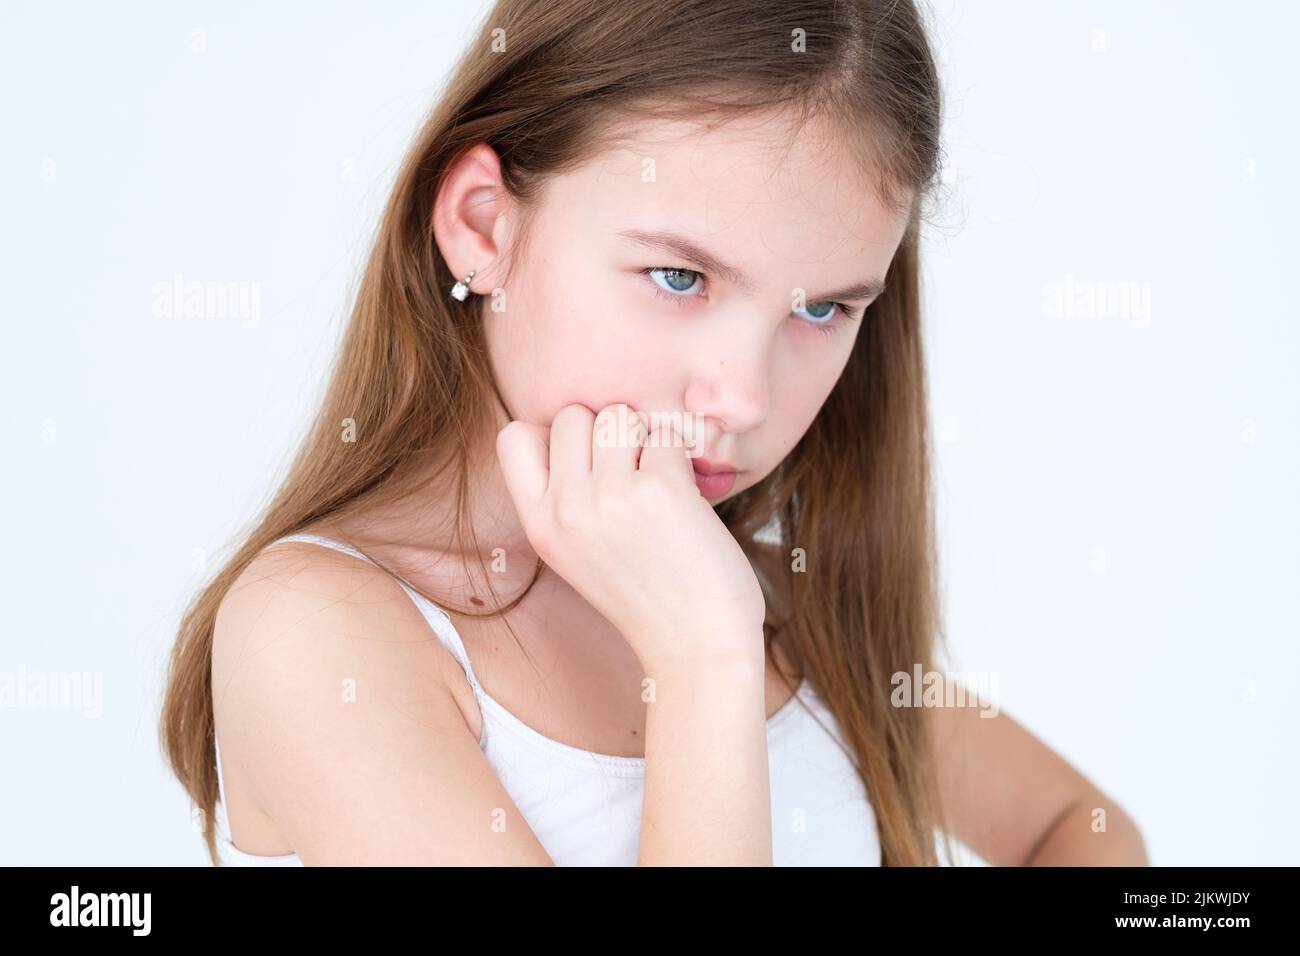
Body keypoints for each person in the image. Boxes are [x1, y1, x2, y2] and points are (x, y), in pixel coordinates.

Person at [160, 0, 1148, 866]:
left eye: (821, 311)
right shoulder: (319, 632)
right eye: (679, 278)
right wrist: (702, 661)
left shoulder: (783, 600)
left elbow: (1082, 825)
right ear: (481, 224)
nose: (742, 399)